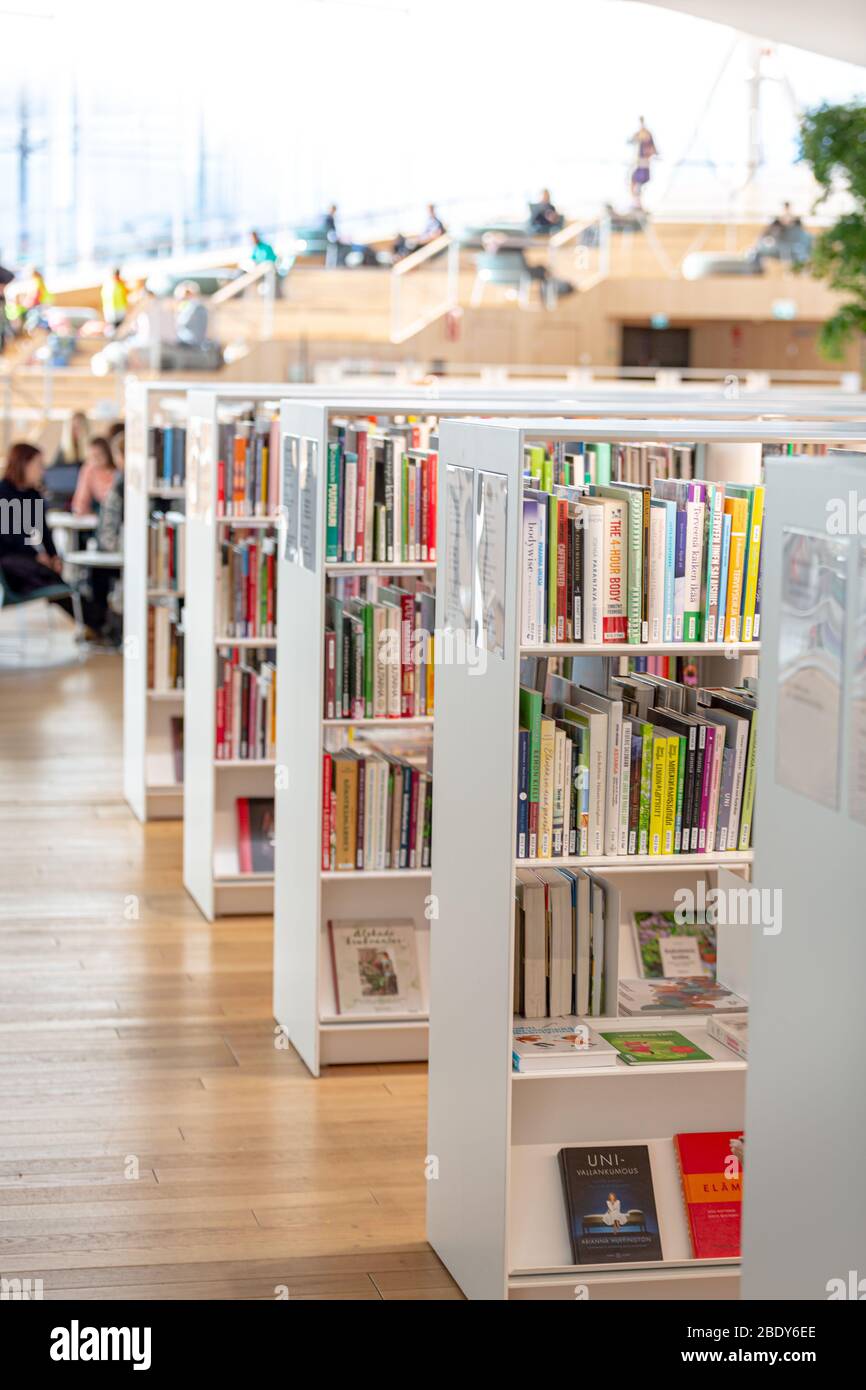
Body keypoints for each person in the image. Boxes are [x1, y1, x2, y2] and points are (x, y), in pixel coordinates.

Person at [0, 441, 103, 634]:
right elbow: (8, 538)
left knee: (53, 577)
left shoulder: (33, 495)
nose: (42, 471)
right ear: (24, 464)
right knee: (48, 576)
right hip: (9, 563)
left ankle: (98, 620)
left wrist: (53, 556)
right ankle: (99, 621)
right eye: (38, 465)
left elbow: (43, 533)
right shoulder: (3, 494)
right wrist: (36, 556)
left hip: (28, 562)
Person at [70, 436, 117, 516]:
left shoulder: (117, 471)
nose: (95, 459)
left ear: (108, 453)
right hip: (99, 511)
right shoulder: (89, 469)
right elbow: (82, 495)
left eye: (99, 455)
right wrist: (79, 508)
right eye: (92, 456)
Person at [630, 118, 658, 207]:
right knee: (635, 184)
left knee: (637, 183)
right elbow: (632, 140)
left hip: (643, 164)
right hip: (641, 163)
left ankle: (638, 204)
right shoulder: (641, 134)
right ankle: (638, 203)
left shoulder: (646, 134)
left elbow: (653, 150)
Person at [174, 281, 209, 348]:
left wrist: (179, 312)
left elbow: (182, 322)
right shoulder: (195, 306)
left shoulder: (194, 306)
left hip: (191, 342)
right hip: (193, 341)